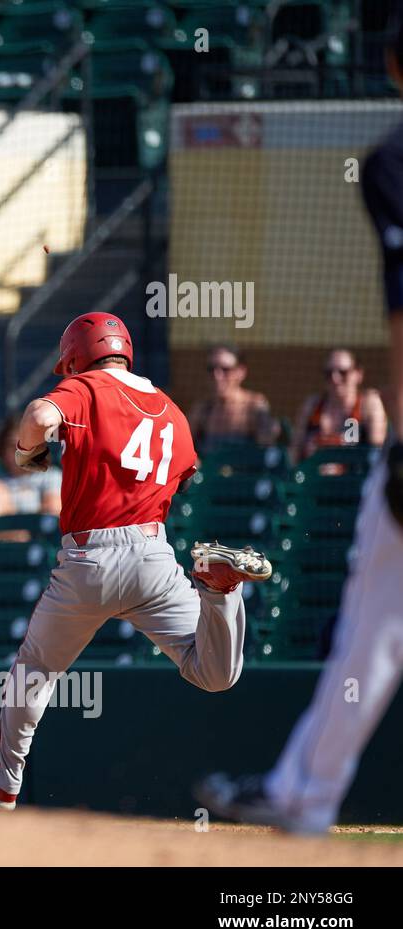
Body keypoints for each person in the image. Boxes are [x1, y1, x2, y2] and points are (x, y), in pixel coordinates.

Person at [194, 7, 403, 835]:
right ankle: (298, 795)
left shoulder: (393, 163)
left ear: (389, 67)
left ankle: (302, 797)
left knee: (372, 632)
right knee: (372, 629)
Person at [0, 313, 273, 811]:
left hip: (92, 558)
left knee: (35, 669)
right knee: (214, 674)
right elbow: (186, 473)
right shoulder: (170, 407)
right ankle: (219, 591)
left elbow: (40, 417)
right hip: (154, 555)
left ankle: (5, 776)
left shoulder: (84, 387)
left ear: (78, 354)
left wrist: (26, 453)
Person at [292, 348, 389, 462]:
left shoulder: (368, 404)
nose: (335, 378)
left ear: (358, 374)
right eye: (329, 373)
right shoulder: (312, 405)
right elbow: (294, 451)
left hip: (355, 477)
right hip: (314, 477)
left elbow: (377, 453)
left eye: (343, 372)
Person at [0, 413, 62, 524]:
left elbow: (53, 514)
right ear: (2, 449)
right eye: (12, 446)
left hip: (35, 538)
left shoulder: (51, 477)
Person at [186, 345, 279, 451]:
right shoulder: (202, 410)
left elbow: (266, 446)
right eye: (211, 369)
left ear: (241, 372)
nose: (217, 376)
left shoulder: (254, 405)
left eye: (225, 369)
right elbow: (184, 448)